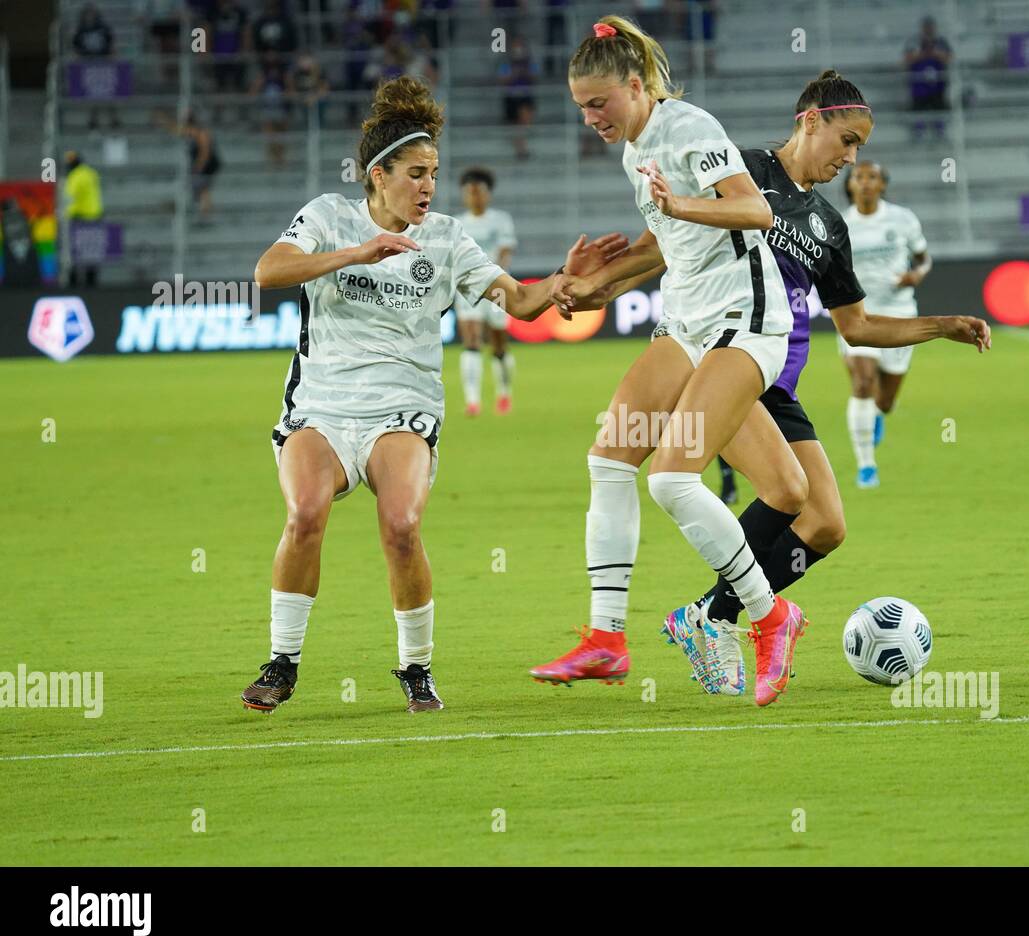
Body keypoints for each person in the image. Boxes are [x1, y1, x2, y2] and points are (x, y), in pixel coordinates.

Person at [569, 71, 989, 694]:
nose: (850, 159)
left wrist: (941, 325)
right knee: (757, 489)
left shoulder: (827, 227)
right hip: (726, 354)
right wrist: (596, 286)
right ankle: (727, 618)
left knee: (824, 524)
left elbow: (858, 326)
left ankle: (711, 614)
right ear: (810, 120)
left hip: (777, 382)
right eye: (847, 141)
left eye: (860, 151)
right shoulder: (745, 170)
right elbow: (664, 246)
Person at [238, 76, 588, 715]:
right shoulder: (327, 216)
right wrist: (357, 253)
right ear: (377, 175)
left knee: (401, 526)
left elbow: (518, 299)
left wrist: (561, 283)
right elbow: (269, 271)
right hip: (322, 405)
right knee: (305, 514)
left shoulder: (449, 238)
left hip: (404, 404)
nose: (429, 186)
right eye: (417, 174)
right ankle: (282, 662)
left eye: (435, 173)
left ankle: (415, 668)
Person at [529, 17, 806, 708]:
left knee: (671, 481)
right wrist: (602, 283)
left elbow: (753, 211)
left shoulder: (688, 129)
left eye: (600, 103)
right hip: (686, 317)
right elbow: (667, 239)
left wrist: (681, 202)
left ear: (634, 84)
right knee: (610, 456)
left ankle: (773, 618)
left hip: (745, 320)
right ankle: (606, 638)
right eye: (581, 107)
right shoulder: (637, 148)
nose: (591, 117)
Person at [840, 160, 932, 488]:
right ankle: (866, 466)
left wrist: (916, 276)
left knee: (886, 401)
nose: (865, 182)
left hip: (899, 312)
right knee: (863, 382)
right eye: (858, 177)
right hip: (858, 312)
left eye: (872, 177)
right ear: (850, 185)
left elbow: (923, 258)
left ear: (883, 184)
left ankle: (877, 415)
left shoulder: (902, 219)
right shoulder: (840, 224)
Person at [454, 168, 519, 415]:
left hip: (497, 288)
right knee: (470, 341)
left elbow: (505, 252)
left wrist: (492, 277)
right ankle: (472, 401)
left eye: (478, 192)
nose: (474, 197)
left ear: (487, 194)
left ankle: (504, 393)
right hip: (467, 289)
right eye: (469, 193)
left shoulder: (500, 220)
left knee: (499, 344)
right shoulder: (458, 224)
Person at [903, 16, 951, 142]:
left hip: (938, 84)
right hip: (919, 85)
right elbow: (907, 59)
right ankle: (918, 133)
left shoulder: (941, 42)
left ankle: (940, 132)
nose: (929, 29)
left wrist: (935, 53)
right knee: (919, 108)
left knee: (939, 108)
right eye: (926, 27)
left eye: (931, 27)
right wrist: (923, 54)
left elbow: (948, 58)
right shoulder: (914, 42)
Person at [62, 150, 104, 288]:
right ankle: (92, 283)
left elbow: (70, 199)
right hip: (96, 217)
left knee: (76, 254)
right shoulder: (91, 173)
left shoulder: (75, 176)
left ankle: (74, 284)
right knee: (92, 251)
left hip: (80, 219)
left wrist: (66, 214)